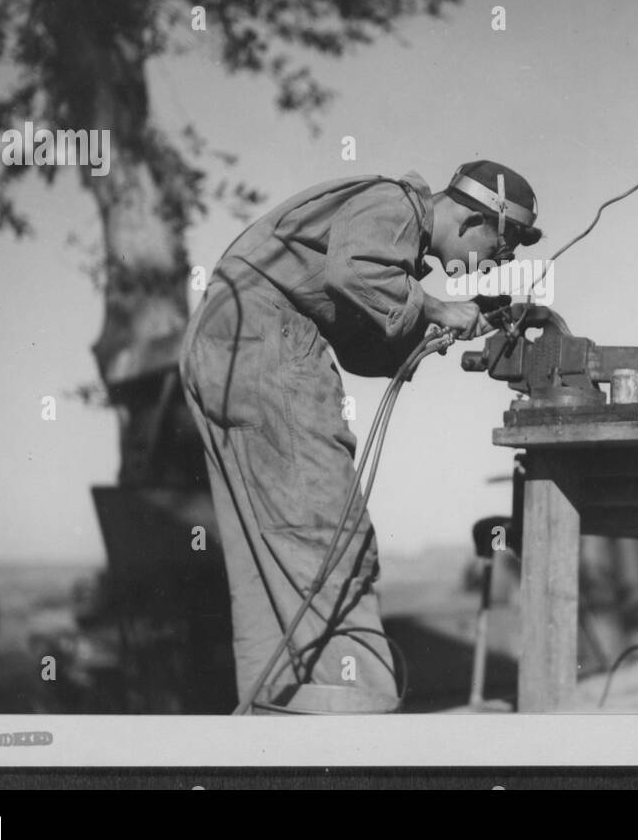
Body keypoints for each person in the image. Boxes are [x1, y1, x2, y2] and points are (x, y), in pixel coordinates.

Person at [180, 160, 541, 713]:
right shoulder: (395, 205)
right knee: (332, 544)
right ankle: (364, 734)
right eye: (505, 246)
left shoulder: (391, 237)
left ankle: (272, 732)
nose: (500, 262)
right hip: (265, 347)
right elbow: (355, 277)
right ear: (477, 221)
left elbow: (360, 340)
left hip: (224, 352)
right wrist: (441, 307)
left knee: (266, 563)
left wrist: (438, 323)